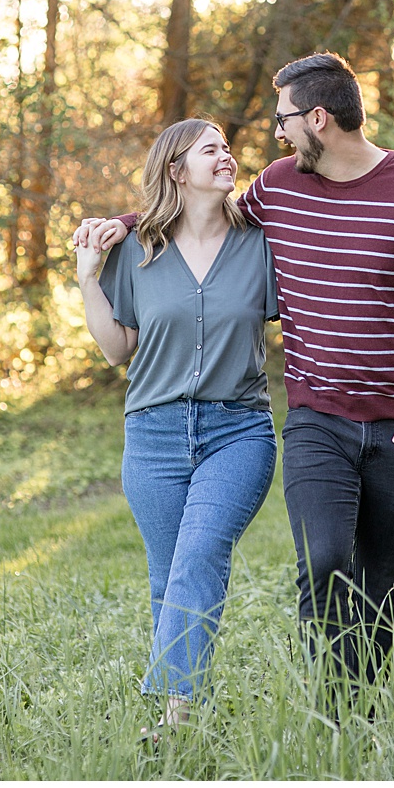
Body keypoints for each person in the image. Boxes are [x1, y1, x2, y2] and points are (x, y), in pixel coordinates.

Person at [76, 52, 394, 698]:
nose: (274, 134)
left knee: (382, 582)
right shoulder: (279, 185)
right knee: (319, 562)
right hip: (313, 421)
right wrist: (124, 226)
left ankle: (357, 714)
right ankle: (314, 701)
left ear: (318, 118)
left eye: (284, 119)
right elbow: (198, 219)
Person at [77, 118, 279, 738]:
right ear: (176, 170)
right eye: (210, 150)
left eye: (227, 147)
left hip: (238, 430)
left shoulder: (262, 242)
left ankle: (171, 704)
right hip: (153, 435)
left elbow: (319, 304)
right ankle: (180, 719)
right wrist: (88, 276)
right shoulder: (138, 252)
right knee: (168, 578)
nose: (227, 157)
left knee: (198, 556)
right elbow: (118, 348)